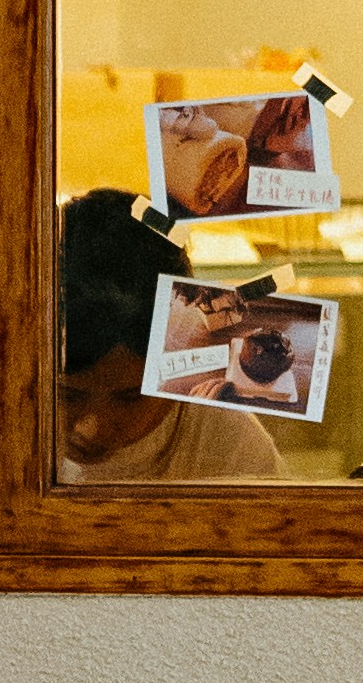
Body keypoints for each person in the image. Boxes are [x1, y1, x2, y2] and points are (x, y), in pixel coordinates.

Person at [59, 190, 280, 485]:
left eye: (130, 397)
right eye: (68, 395)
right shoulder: (3, 429)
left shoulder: (230, 445)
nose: (91, 429)